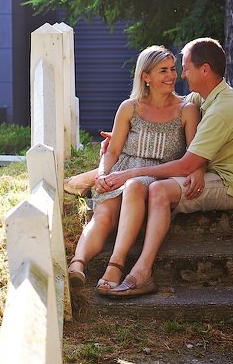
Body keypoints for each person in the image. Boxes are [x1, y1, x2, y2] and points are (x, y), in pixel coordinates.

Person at [94, 37, 233, 297]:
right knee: (151, 187)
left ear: (204, 70)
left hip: (231, 184)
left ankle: (142, 272)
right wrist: (122, 137)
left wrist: (130, 172)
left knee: (158, 191)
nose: (181, 75)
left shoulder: (223, 110)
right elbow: (166, 108)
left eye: (186, 68)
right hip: (211, 171)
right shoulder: (204, 97)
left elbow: (186, 165)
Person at [67, 46, 200, 290]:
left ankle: (115, 265)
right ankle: (77, 265)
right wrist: (104, 173)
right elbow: (114, 151)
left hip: (157, 176)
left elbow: (193, 155)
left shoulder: (187, 109)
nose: (171, 75)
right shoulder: (130, 107)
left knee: (134, 186)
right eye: (163, 71)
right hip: (122, 169)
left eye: (172, 69)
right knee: (103, 215)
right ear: (145, 77)